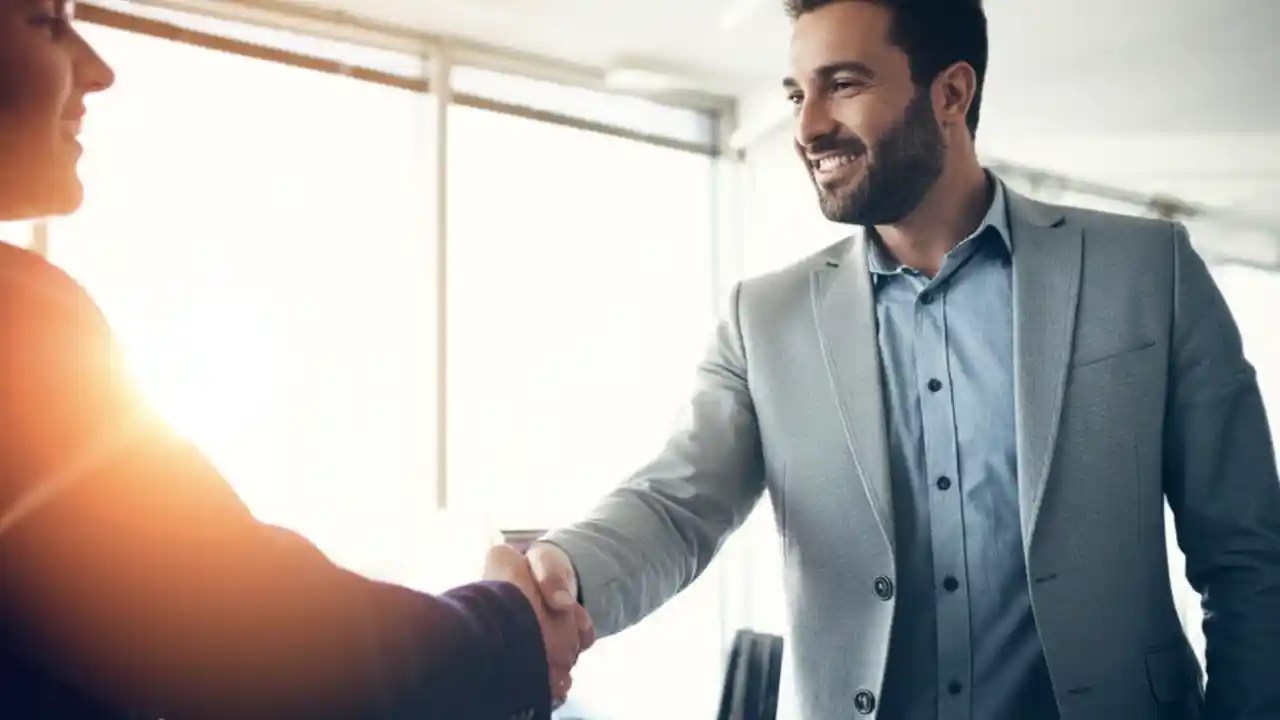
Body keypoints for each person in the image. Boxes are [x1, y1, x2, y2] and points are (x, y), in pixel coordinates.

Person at [519, 0, 1280, 718]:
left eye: (843, 85)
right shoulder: (766, 321)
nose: (809, 126)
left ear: (950, 93)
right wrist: (562, 574)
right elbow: (677, 507)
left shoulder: (1147, 273)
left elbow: (1248, 560)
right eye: (795, 96)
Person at [0, 2, 583, 718]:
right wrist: (508, 627)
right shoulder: (17, 319)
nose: (98, 69)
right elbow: (238, 625)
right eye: (46, 22)